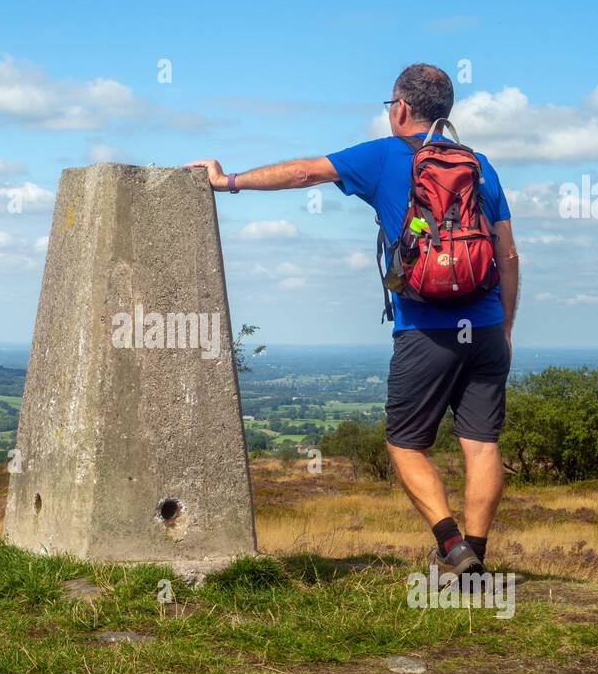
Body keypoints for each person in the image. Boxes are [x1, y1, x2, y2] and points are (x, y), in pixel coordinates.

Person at [187, 62, 519, 577]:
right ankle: (477, 551)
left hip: (425, 328)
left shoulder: (385, 156)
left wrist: (226, 180)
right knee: (481, 444)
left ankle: (453, 548)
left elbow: (303, 172)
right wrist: (506, 328)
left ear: (401, 108)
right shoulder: (480, 165)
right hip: (487, 326)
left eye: (390, 105)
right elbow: (509, 255)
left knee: (405, 442)